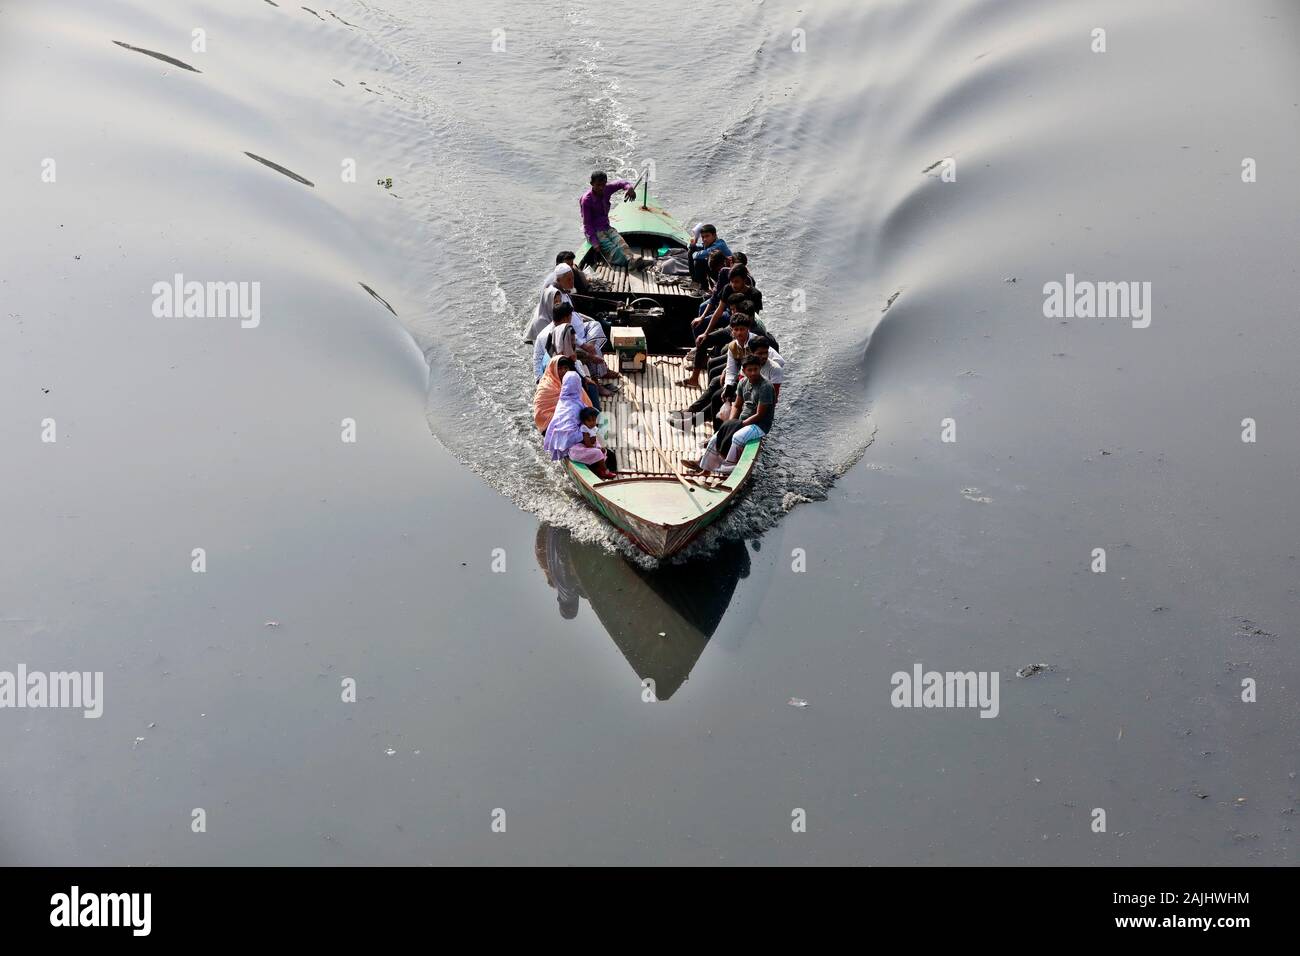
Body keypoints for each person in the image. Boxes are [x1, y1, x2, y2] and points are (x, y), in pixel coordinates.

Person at [684, 355, 775, 475]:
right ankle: (706, 469)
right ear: (744, 370)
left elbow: (759, 414)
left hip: (759, 425)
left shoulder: (766, 387)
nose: (753, 373)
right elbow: (737, 405)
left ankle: (728, 468)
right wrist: (730, 423)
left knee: (737, 437)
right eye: (749, 370)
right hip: (742, 421)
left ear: (760, 368)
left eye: (756, 369)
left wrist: (740, 425)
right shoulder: (742, 382)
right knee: (715, 438)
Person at [580, 171, 649, 270]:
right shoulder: (586, 200)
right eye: (598, 185)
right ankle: (631, 262)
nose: (601, 188)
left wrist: (629, 188)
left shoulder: (607, 189)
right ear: (592, 184)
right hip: (594, 230)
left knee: (621, 243)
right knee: (612, 250)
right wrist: (594, 242)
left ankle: (632, 261)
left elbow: (621, 182)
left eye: (603, 185)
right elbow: (587, 225)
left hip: (606, 226)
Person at [544, 370, 597, 462]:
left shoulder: (562, 401)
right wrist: (588, 434)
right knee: (597, 447)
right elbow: (571, 434)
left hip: (558, 439)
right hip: (570, 442)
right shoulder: (576, 405)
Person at [534, 355, 589, 432]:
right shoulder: (545, 388)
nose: (563, 371)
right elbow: (541, 414)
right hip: (551, 426)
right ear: (553, 370)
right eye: (559, 369)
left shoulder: (573, 382)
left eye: (566, 368)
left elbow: (584, 403)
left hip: (573, 422)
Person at [570, 406, 617, 479]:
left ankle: (599, 468)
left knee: (604, 451)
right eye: (589, 421)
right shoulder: (584, 429)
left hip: (588, 448)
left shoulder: (594, 428)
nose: (592, 423)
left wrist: (600, 447)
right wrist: (597, 449)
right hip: (579, 450)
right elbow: (588, 444)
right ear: (584, 421)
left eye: (594, 420)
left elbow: (595, 440)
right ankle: (605, 471)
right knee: (598, 452)